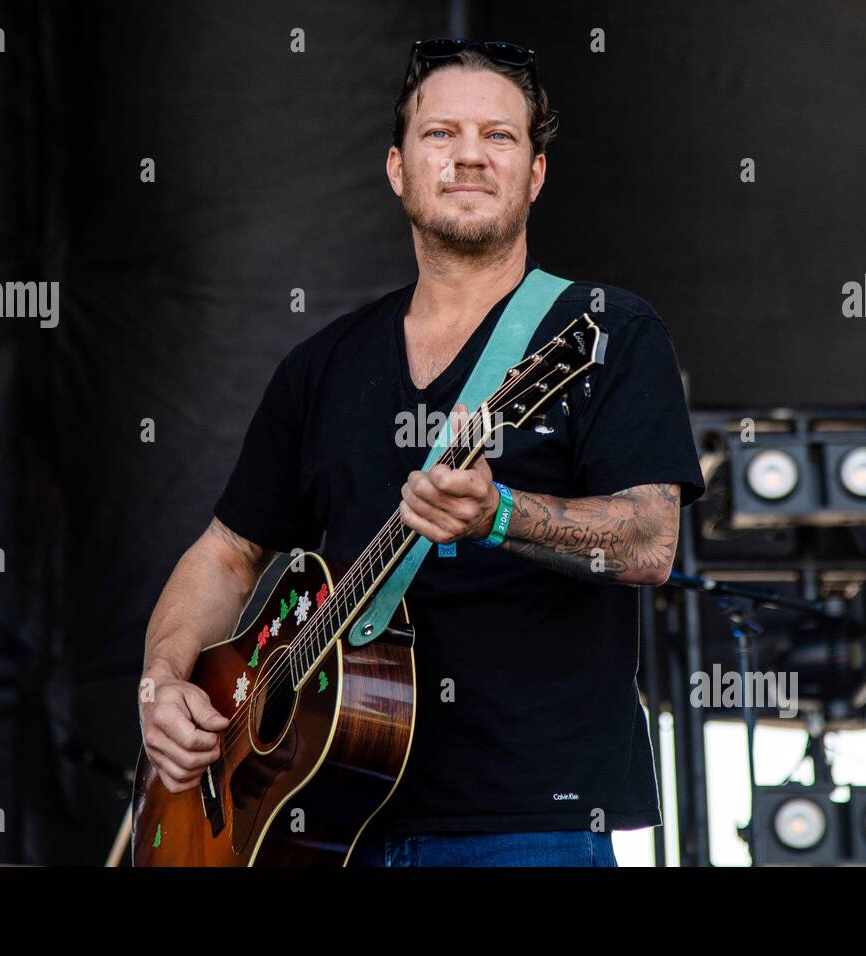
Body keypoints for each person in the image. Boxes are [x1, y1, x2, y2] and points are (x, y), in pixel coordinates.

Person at [138, 38, 705, 867]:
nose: (470, 155)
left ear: (536, 175)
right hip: (317, 821)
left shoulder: (605, 330)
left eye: (500, 137)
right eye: (442, 134)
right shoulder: (321, 367)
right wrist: (163, 681)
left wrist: (500, 514)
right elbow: (227, 552)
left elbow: (650, 540)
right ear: (399, 169)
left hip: (526, 821)